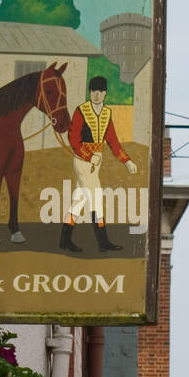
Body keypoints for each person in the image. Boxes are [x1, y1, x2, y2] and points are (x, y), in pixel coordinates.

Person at [60, 76, 138, 254]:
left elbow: (112, 141)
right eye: (94, 91)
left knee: (78, 200)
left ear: (105, 93)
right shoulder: (81, 111)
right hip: (82, 160)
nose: (97, 94)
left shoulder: (107, 113)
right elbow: (73, 138)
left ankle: (64, 239)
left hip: (97, 160)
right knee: (96, 197)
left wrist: (127, 160)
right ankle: (103, 242)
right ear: (90, 92)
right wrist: (88, 156)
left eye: (100, 91)